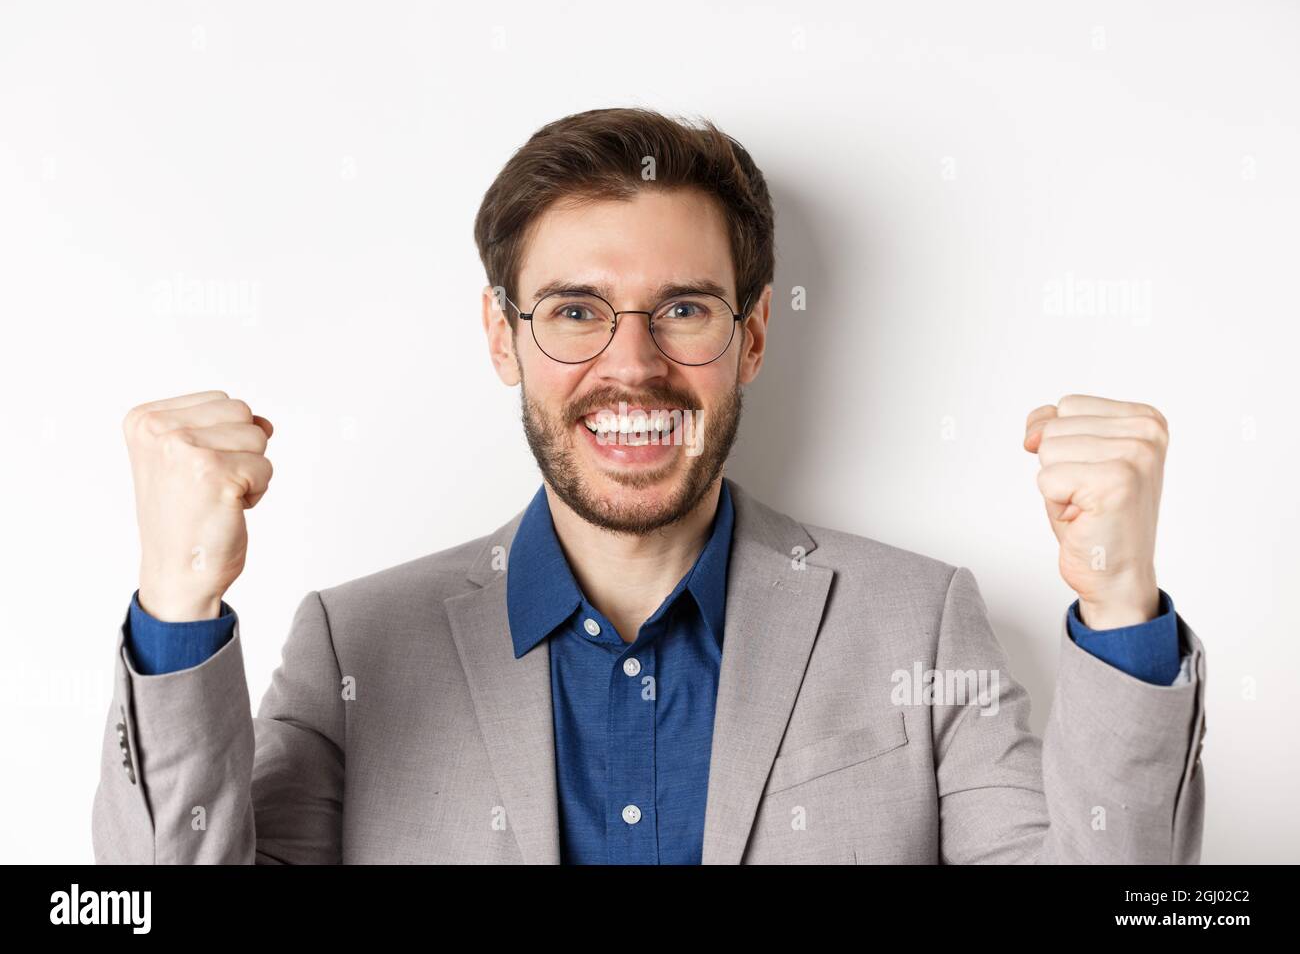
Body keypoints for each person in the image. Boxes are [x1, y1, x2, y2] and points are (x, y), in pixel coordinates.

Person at [93, 107, 1204, 864]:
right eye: (576, 310)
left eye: (683, 308)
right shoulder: (355, 644)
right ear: (503, 336)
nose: (631, 364)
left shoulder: (919, 621)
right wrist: (178, 603)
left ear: (754, 333)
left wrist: (1119, 602)